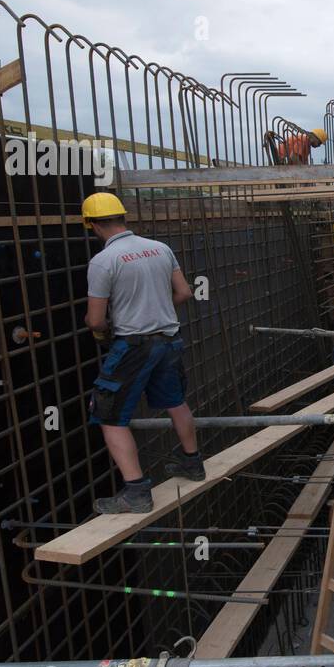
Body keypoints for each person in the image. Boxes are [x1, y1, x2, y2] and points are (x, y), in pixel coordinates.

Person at [81, 192, 204, 514]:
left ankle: (136, 492)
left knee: (107, 414)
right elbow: (184, 293)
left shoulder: (103, 261)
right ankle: (192, 462)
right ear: (123, 217)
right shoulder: (160, 248)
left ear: (92, 226)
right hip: (169, 338)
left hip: (134, 345)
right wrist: (156, 308)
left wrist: (101, 325)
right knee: (175, 402)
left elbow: (95, 320)